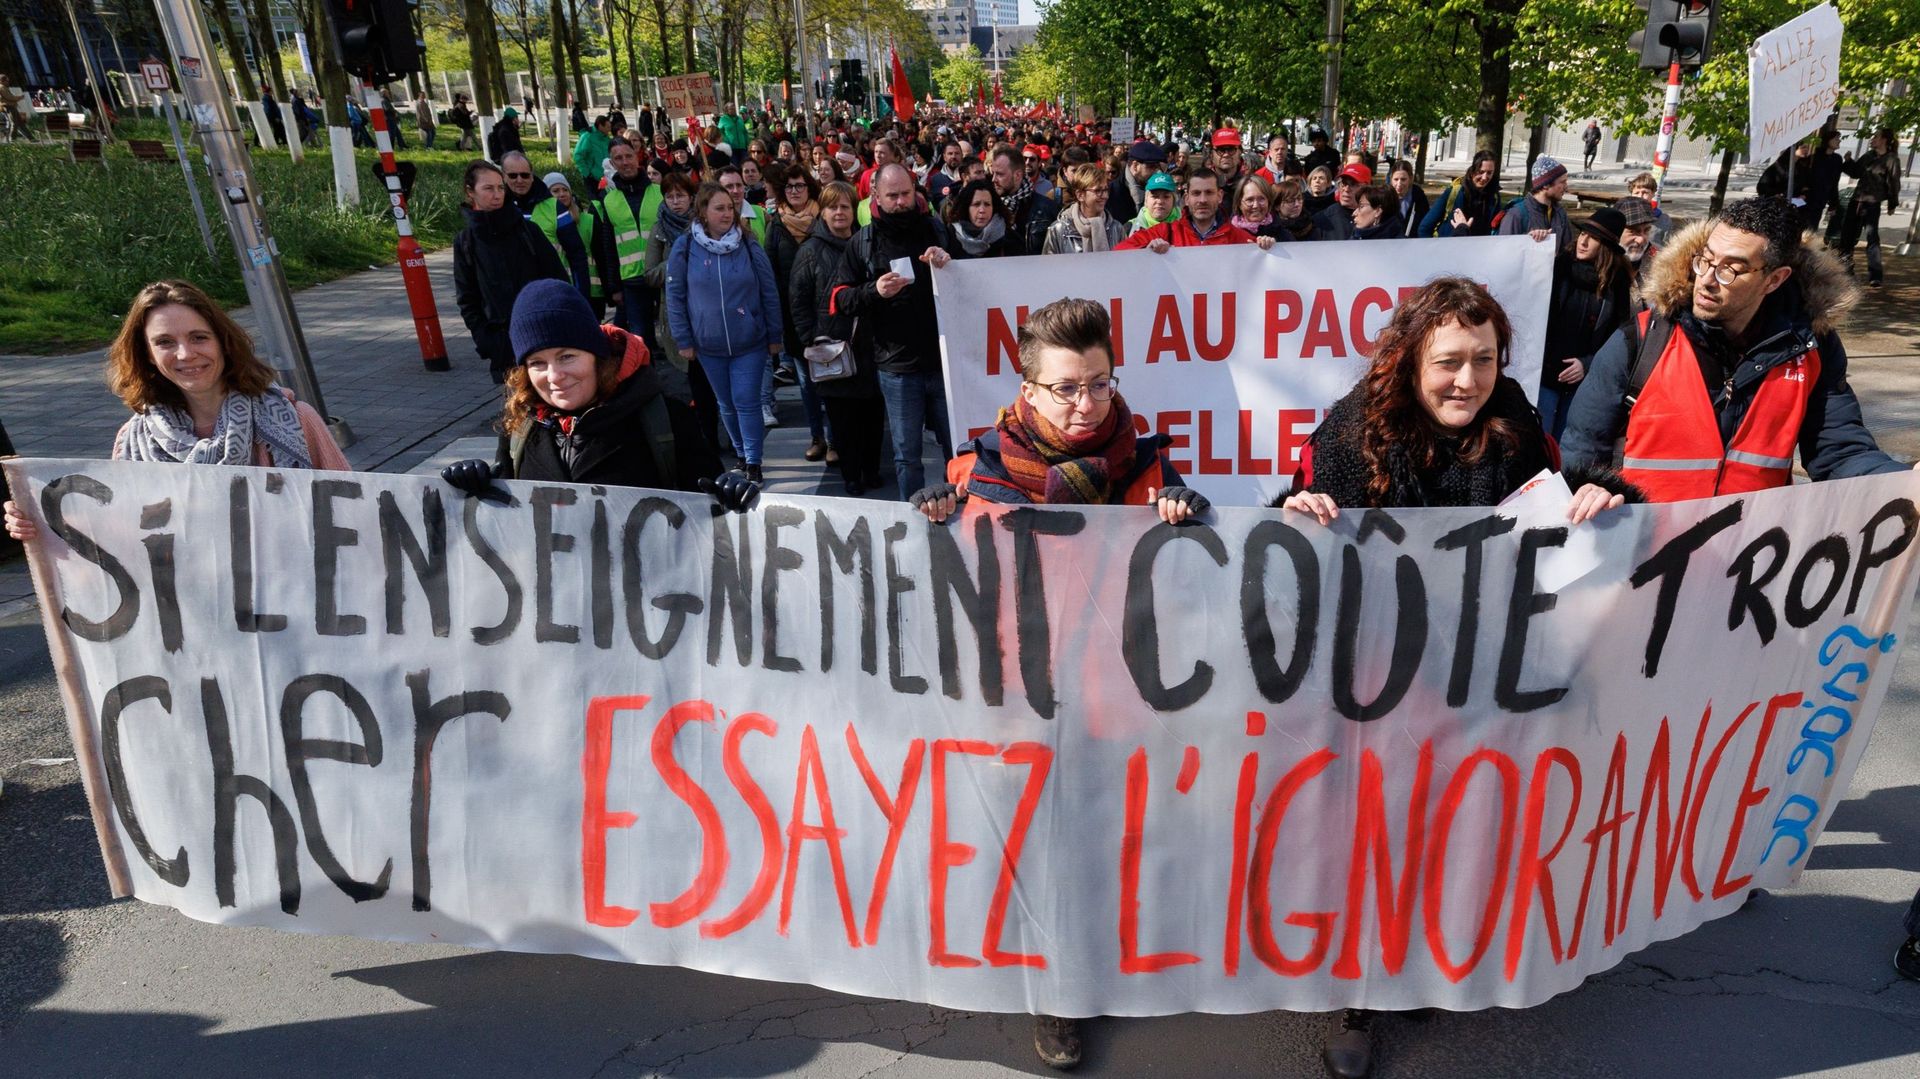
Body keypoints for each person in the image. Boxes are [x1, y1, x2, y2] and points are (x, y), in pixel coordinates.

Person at [1563, 196, 1909, 499]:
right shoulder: (1640, 340)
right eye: (1706, 260)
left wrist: (1901, 486)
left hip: (1750, 560)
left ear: (1775, 279)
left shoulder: (1812, 349)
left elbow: (1841, 452)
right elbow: (1581, 452)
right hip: (1644, 555)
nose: (1708, 280)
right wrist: (1592, 491)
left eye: (1732, 269)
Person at [4, 279, 348, 542]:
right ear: (147, 356)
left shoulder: (296, 419)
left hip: (289, 610)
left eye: (199, 337)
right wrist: (38, 521)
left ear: (223, 343)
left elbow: (355, 511)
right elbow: (117, 533)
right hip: (195, 617)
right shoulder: (133, 442)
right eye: (165, 342)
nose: (185, 354)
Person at [908, 294, 1207, 529]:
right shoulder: (972, 474)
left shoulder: (1152, 470)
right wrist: (938, 518)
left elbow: (1184, 579)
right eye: (1065, 389)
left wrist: (1188, 518)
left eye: (1099, 384)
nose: (1087, 406)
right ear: (1031, 393)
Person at [438, 278, 742, 509]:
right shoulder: (520, 428)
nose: (555, 376)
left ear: (597, 356)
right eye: (537, 363)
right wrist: (474, 487)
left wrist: (731, 496)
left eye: (567, 356)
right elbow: (508, 522)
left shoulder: (666, 420)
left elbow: (707, 512)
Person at [828, 164, 955, 498]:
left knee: (957, 449)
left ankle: (962, 509)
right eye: (893, 196)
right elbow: (838, 299)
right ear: (876, 197)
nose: (901, 202)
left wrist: (950, 262)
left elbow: (972, 281)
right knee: (907, 456)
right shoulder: (863, 242)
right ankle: (913, 518)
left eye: (906, 194)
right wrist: (874, 291)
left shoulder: (937, 230)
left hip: (943, 363)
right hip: (896, 369)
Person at [666, 182, 784, 481]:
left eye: (730, 207)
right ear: (703, 212)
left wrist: (774, 335)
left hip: (750, 342)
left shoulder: (747, 243)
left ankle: (754, 462)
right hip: (708, 344)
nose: (727, 213)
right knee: (726, 404)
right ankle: (742, 454)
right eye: (719, 208)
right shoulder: (686, 246)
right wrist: (684, 338)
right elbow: (675, 294)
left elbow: (769, 290)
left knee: (746, 399)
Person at [793, 181, 887, 493]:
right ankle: (851, 475)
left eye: (845, 206)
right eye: (833, 206)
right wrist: (810, 339)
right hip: (831, 348)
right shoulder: (810, 250)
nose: (839, 212)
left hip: (870, 343)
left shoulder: (867, 242)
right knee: (844, 420)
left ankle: (871, 470)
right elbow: (799, 298)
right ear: (823, 211)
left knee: (873, 416)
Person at [453, 160, 569, 384]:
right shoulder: (465, 241)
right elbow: (467, 298)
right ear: (470, 192)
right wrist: (485, 340)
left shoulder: (527, 230)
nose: (497, 194)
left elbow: (556, 279)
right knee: (517, 410)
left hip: (542, 336)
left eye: (500, 187)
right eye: (488, 188)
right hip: (502, 346)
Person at [1537, 207, 1631, 439]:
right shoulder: (1558, 266)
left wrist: (1587, 363)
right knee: (1539, 441)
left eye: (1594, 238)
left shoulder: (1616, 284)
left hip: (1582, 384)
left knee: (1565, 445)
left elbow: (1618, 337)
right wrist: (1534, 246)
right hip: (1545, 374)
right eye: (1582, 234)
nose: (1584, 241)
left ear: (1606, 247)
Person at [765, 167, 833, 461]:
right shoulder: (776, 226)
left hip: (825, 314)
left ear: (810, 188)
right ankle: (817, 437)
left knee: (830, 380)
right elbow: (769, 274)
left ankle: (835, 438)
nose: (795, 191)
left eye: (800, 186)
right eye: (790, 186)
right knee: (807, 384)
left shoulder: (823, 220)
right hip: (793, 318)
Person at [598, 138, 663, 344]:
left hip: (662, 273)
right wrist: (614, 287)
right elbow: (607, 245)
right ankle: (648, 373)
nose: (625, 162)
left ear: (637, 156)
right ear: (612, 163)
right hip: (631, 279)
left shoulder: (660, 192)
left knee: (673, 330)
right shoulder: (609, 199)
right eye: (618, 158)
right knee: (640, 336)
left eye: (628, 156)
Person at [532, 173, 618, 318]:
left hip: (592, 292)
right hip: (559, 289)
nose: (562, 194)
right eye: (555, 191)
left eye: (565, 190)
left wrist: (611, 290)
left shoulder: (589, 221)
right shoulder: (541, 221)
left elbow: (602, 256)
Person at [1118, 169, 1260, 250]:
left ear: (1220, 196)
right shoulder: (1164, 232)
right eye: (1196, 193)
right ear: (1186, 198)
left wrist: (1267, 248)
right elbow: (1116, 256)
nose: (1202, 200)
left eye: (1209, 192)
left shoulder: (1238, 238)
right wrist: (1145, 252)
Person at [1837, 128, 1902, 289]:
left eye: (1876, 136)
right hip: (1857, 199)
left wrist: (1892, 203)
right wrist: (1848, 161)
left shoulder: (1891, 159)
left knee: (1872, 237)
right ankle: (1844, 270)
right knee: (1847, 236)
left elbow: (1894, 182)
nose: (1872, 139)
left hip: (1872, 202)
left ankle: (1875, 275)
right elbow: (1856, 173)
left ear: (1884, 140)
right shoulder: (1868, 156)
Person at [989, 143, 1061, 255]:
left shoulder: (1046, 208)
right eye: (993, 173)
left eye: (1000, 174)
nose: (994, 179)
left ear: (1017, 175)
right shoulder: (989, 207)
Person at [1043, 163, 1129, 254]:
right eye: (1098, 191)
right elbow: (1050, 266)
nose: (1105, 196)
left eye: (1106, 190)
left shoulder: (1116, 228)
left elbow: (1124, 265)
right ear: (1080, 195)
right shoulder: (1058, 230)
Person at [1497, 154, 1572, 251]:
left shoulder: (1560, 213)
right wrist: (1527, 241)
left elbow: (1567, 250)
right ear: (1545, 185)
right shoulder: (1516, 215)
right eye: (1562, 182)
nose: (1566, 187)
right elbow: (1504, 253)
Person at [1417, 151, 1500, 237]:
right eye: (1481, 172)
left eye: (1489, 173)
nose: (1484, 177)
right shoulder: (1454, 192)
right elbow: (1425, 228)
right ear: (1472, 171)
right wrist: (1434, 248)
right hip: (1450, 247)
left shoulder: (1494, 197)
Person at [944, 179, 1017, 258]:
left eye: (987, 204)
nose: (982, 210)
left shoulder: (1009, 237)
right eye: (976, 204)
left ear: (994, 207)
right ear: (966, 207)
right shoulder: (950, 236)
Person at [1612, 195, 1662, 297]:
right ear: (1615, 232)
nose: (1641, 240)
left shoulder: (1662, 264)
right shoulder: (1599, 263)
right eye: (1633, 231)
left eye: (1647, 230)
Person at [1313, 162, 1375, 240]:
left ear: (1368, 188)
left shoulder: (1378, 217)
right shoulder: (1323, 219)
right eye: (1344, 183)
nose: (1346, 189)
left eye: (1353, 184)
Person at [1109, 140, 1164, 225]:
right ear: (1135, 166)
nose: (1157, 172)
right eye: (1151, 167)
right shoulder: (1110, 192)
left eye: (1158, 167)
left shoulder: (1158, 188)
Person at [718, 166, 769, 245]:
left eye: (739, 185)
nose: (736, 191)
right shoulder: (713, 219)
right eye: (729, 186)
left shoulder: (762, 213)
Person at [1626, 173, 1674, 246]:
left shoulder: (1663, 219)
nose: (1640, 196)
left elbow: (1668, 247)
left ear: (1653, 194)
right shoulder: (1623, 216)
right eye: (1636, 193)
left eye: (1645, 193)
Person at [498, 151, 547, 215]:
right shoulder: (494, 203)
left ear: (532, 176)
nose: (520, 180)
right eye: (513, 176)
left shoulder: (553, 205)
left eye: (525, 175)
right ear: (504, 177)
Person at [574, 113, 614, 189]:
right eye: (608, 127)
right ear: (600, 126)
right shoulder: (587, 137)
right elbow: (578, 156)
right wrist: (587, 174)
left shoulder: (606, 138)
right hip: (592, 178)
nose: (610, 129)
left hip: (606, 177)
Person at [1387, 161, 1427, 237]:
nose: (1399, 184)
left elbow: (1424, 220)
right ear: (1391, 180)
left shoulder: (1418, 195)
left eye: (1403, 179)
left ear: (1410, 179)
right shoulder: (1385, 195)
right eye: (1396, 179)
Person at [926, 138, 967, 208]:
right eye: (950, 154)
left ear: (962, 156)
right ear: (944, 157)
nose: (953, 156)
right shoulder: (935, 180)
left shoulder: (969, 176)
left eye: (957, 153)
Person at [1209, 127, 1247, 191]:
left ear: (1240, 153)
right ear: (1211, 155)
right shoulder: (1201, 185)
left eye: (1231, 149)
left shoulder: (1248, 185)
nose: (1226, 155)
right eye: (1220, 150)